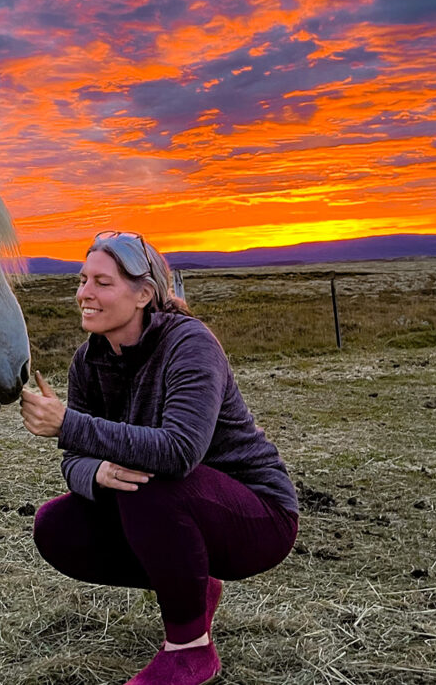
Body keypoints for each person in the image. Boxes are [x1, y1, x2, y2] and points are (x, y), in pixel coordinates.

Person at [19, 230, 299, 685]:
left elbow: (179, 451)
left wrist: (67, 422)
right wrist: (97, 471)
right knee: (56, 526)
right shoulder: (87, 361)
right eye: (82, 279)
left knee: (149, 482)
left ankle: (190, 651)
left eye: (102, 283)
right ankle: (193, 586)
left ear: (144, 294)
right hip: (173, 508)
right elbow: (73, 460)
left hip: (259, 515)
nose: (84, 293)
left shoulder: (189, 344)